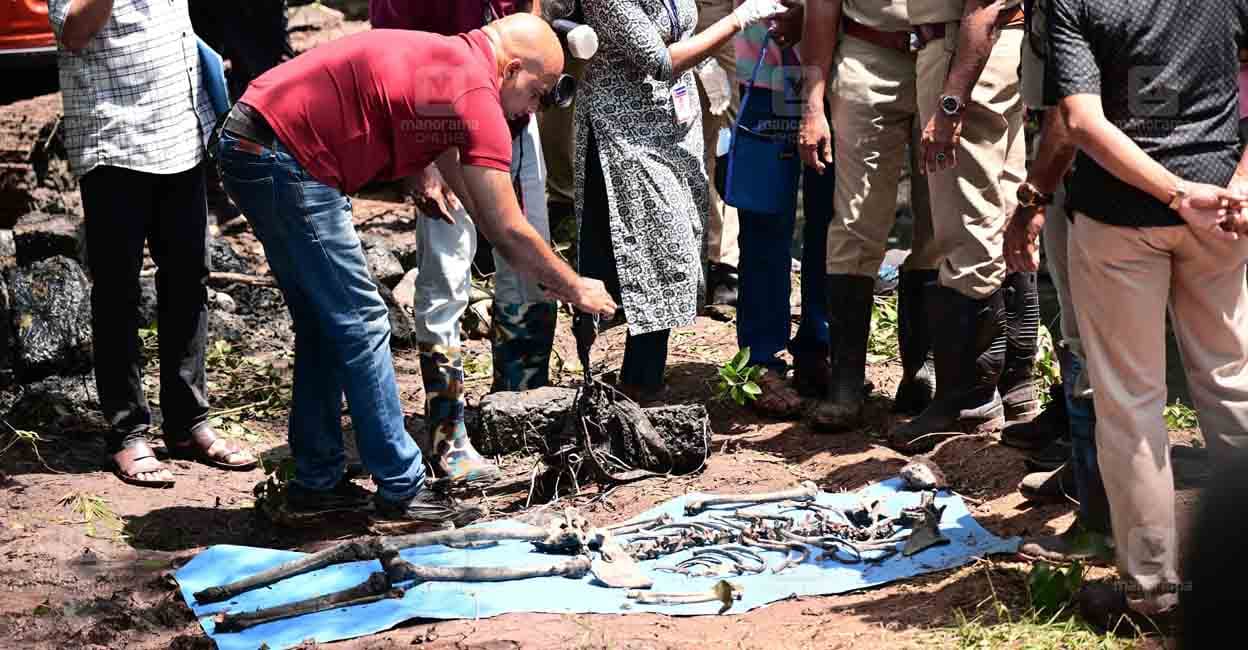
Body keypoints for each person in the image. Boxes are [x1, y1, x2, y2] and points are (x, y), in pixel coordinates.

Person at [213, 14, 616, 523]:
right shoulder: (477, 94)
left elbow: (480, 202)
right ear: (512, 69)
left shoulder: (450, 60)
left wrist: (522, 255)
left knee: (325, 322)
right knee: (363, 322)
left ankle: (316, 483)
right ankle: (402, 488)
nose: (533, 110)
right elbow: (509, 228)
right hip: (286, 158)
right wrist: (573, 285)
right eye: (535, 95)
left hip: (254, 141)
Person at [1048, 0, 1248, 627]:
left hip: (1120, 218)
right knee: (1233, 384)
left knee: (1130, 405)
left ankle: (1153, 595)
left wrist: (1175, 194)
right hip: (1222, 209)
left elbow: (1080, 120)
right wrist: (1241, 182)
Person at [47, 0, 259, 488]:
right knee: (117, 288)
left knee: (189, 277)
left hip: (180, 127)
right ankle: (127, 432)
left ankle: (188, 422)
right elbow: (73, 30)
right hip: (115, 137)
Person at [368, 0, 560, 487]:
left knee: (530, 248)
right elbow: (395, 50)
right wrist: (420, 161)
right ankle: (447, 429)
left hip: (514, 107)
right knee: (448, 271)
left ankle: (522, 401)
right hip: (437, 111)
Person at [575, 0, 787, 401]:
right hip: (623, 130)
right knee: (651, 250)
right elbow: (658, 60)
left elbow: (679, 29)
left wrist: (706, 68)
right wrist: (737, 20)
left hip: (673, 125)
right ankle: (623, 387)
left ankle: (645, 378)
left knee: (674, 247)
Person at [888, 0, 1035, 453]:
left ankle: (967, 402)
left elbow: (983, 6)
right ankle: (1015, 389)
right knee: (1004, 224)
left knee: (966, 229)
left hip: (966, 53)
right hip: (1001, 48)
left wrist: (951, 101)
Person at [799, 0, 940, 431]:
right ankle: (846, 382)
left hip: (945, 59)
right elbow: (821, 9)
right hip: (869, 57)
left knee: (941, 225)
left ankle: (923, 370)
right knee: (855, 223)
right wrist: (812, 103)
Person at [1003, 0, 1111, 563]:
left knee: (1090, 342)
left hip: (1090, 164)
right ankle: (1087, 470)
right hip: (1199, 165)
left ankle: (1099, 520)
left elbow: (1071, 113)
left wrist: (1034, 197)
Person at [694, 0, 743, 307]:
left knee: (734, 142)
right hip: (674, 19)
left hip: (733, 16)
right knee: (694, 142)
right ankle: (708, 257)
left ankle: (726, 261)